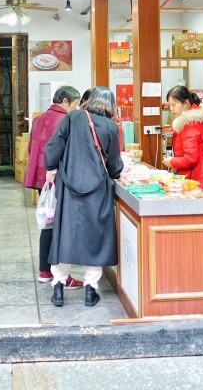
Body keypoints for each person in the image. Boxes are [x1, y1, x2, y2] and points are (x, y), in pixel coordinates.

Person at [44, 86, 123, 308]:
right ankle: (90, 290)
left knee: (65, 234)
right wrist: (116, 174)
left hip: (69, 188)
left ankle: (58, 288)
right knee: (96, 237)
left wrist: (51, 168)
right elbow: (114, 164)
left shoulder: (73, 117)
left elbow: (54, 146)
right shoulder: (110, 126)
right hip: (98, 189)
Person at [23, 85, 84, 289]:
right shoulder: (66, 120)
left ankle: (44, 271)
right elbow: (70, 152)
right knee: (61, 226)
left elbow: (32, 147)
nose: (76, 109)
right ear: (65, 101)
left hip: (43, 178)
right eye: (75, 104)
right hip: (60, 179)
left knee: (48, 223)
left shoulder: (39, 119)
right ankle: (61, 275)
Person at [162, 85, 203, 197]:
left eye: (174, 105)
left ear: (186, 103)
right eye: (170, 106)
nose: (171, 109)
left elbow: (190, 158)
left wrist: (172, 162)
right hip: (199, 177)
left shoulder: (192, 124)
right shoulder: (189, 121)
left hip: (200, 180)